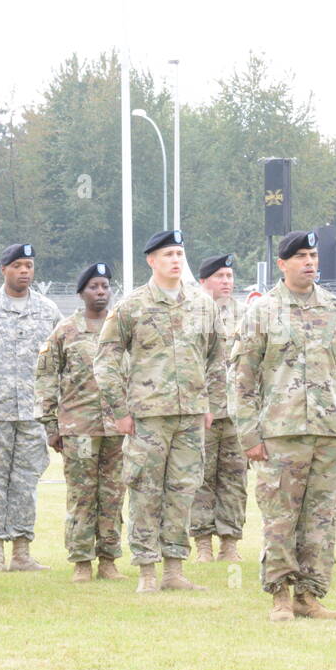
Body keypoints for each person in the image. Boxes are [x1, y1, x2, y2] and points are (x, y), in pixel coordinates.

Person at [230, 230, 336, 621]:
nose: (309, 262)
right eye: (301, 256)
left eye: (313, 255)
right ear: (282, 263)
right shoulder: (262, 312)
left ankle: (310, 594)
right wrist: (249, 434)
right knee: (280, 516)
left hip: (328, 431)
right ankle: (280, 596)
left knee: (321, 519)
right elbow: (242, 378)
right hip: (280, 432)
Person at [93, 230, 223, 593]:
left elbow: (216, 357)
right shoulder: (132, 306)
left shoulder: (202, 304)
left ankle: (174, 570)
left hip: (190, 417)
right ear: (151, 261)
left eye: (180, 253)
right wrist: (119, 409)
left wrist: (209, 403)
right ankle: (147, 570)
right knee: (146, 491)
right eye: (167, 254)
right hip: (147, 418)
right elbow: (105, 360)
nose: (175, 260)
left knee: (183, 490)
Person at [0, 242, 62, 573]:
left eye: (30, 266)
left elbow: (58, 362)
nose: (25, 271)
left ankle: (22, 550)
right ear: (3, 269)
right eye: (18, 265)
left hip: (32, 414)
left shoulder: (48, 311)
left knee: (26, 481)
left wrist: (54, 408)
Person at [35, 262, 126, 582]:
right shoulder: (65, 331)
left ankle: (109, 559)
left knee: (114, 494)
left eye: (104, 286)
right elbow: (46, 377)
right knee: (82, 494)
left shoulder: (122, 328)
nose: (100, 292)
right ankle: (82, 561)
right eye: (93, 287)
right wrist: (51, 424)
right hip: (80, 429)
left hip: (117, 428)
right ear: (81, 292)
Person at [189, 253, 248, 563]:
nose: (227, 282)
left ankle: (229, 542)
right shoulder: (191, 313)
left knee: (235, 479)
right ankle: (201, 542)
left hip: (238, 414)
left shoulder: (247, 314)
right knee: (201, 477)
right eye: (220, 277)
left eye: (229, 276)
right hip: (203, 411)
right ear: (203, 282)